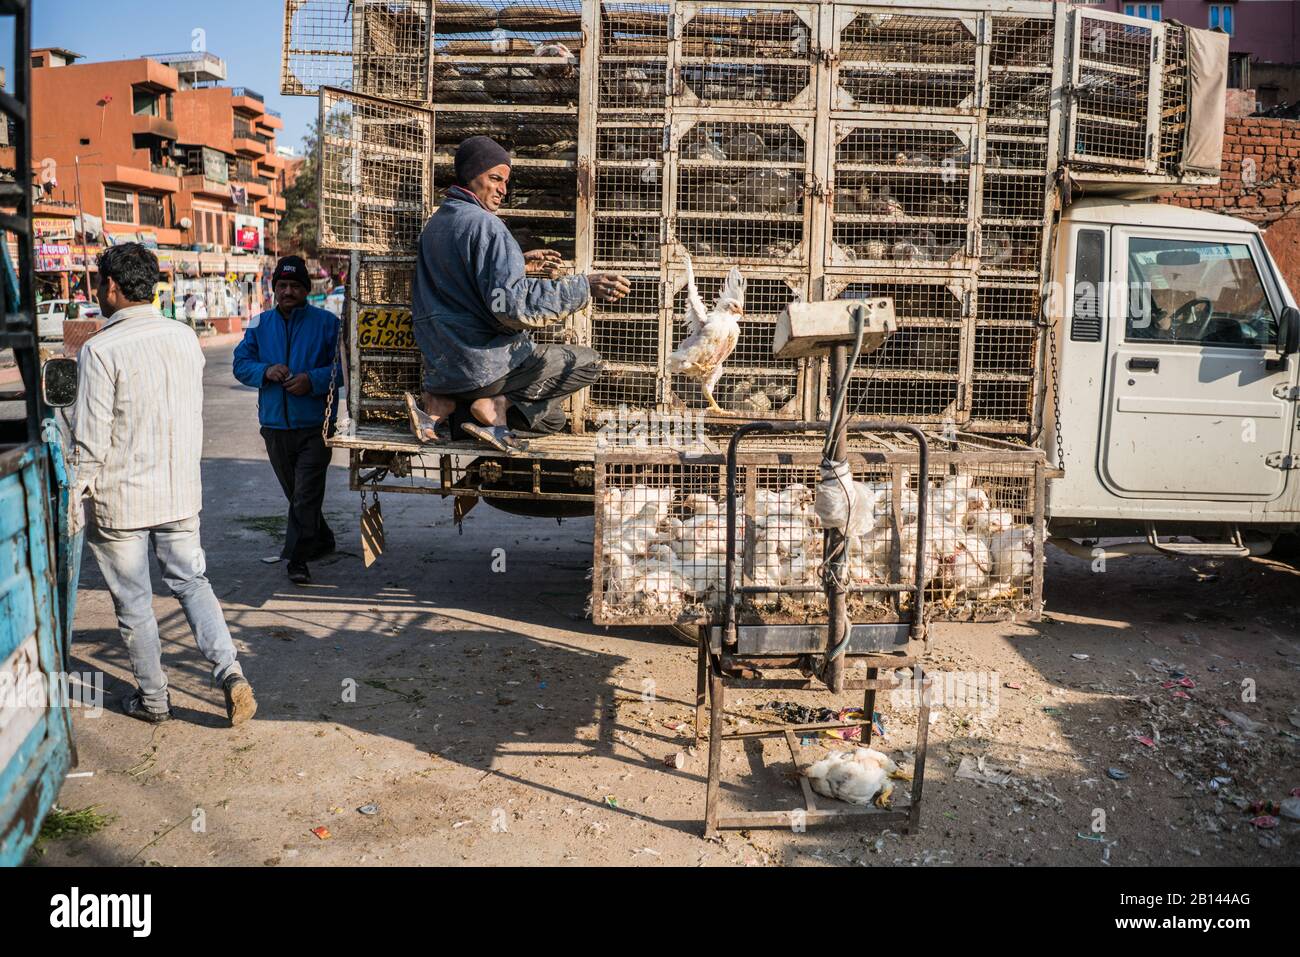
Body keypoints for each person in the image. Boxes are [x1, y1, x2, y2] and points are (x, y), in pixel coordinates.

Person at [71, 243, 256, 726]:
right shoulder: (183, 337)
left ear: (110, 287)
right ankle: (231, 673)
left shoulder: (100, 349)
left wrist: (74, 490)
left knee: (134, 603)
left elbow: (90, 439)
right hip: (178, 493)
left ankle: (154, 701)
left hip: (121, 500)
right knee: (192, 583)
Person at [406, 135, 631, 451]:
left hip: (443, 367)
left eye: (505, 181)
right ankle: (494, 407)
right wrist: (584, 286)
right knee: (588, 361)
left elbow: (462, 281)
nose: (503, 190)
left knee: (552, 420)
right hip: (482, 363)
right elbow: (513, 307)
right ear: (472, 175)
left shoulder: (437, 224)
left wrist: (515, 265)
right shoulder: (487, 226)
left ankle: (446, 409)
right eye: (495, 179)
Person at [233, 255, 340, 585]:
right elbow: (240, 364)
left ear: (306, 290)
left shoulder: (327, 323)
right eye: (282, 285)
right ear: (274, 288)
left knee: (305, 494)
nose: (288, 291)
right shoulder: (258, 324)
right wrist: (264, 371)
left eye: (295, 286)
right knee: (297, 494)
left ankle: (297, 559)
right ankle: (322, 539)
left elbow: (343, 370)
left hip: (316, 425)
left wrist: (312, 380)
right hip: (275, 426)